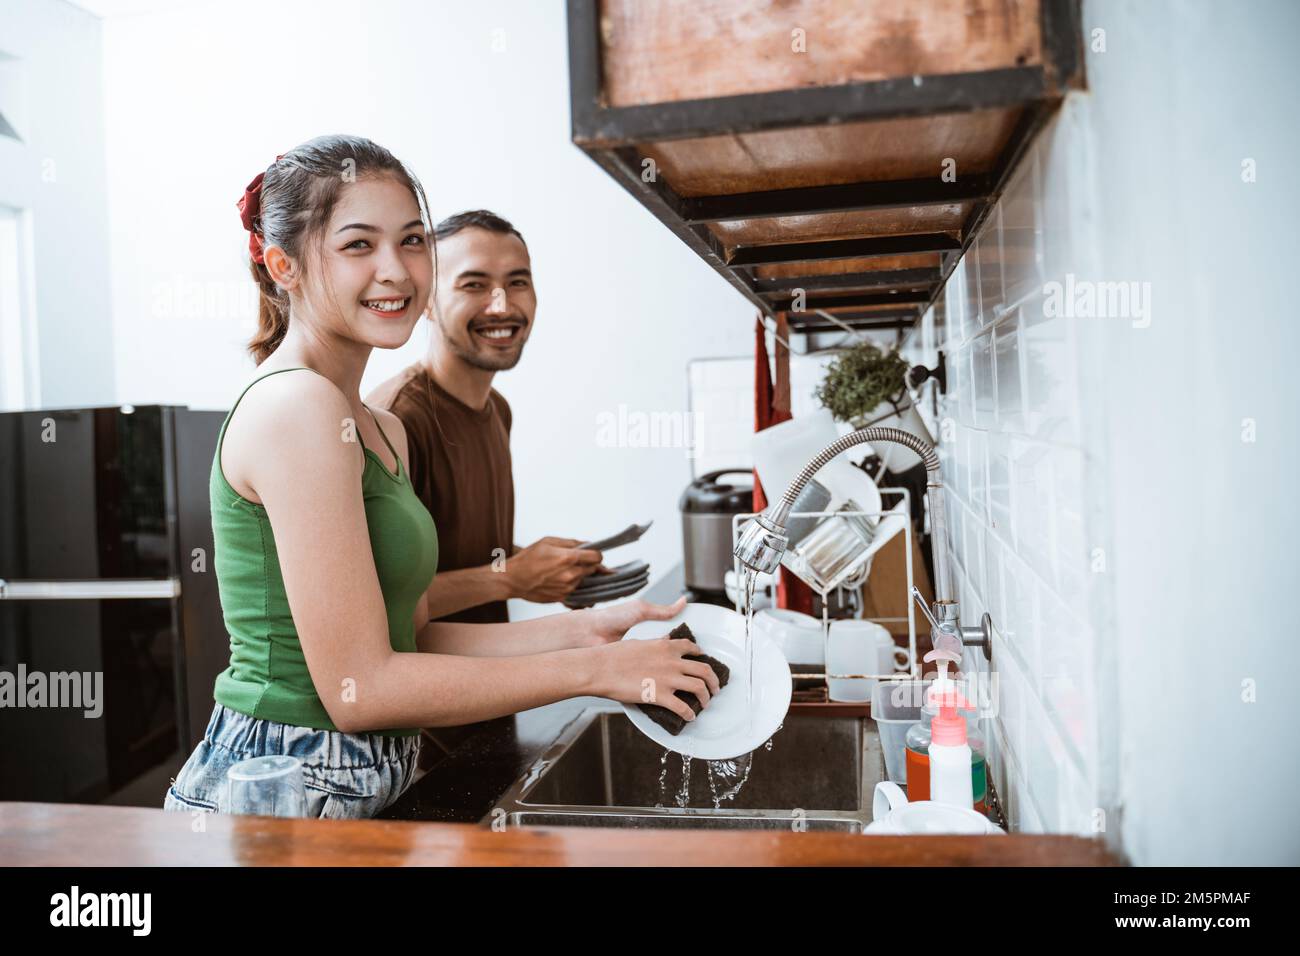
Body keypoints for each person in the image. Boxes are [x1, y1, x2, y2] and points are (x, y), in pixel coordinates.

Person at [162, 135, 716, 820]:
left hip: (359, 780)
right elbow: (361, 686)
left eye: (413, 240)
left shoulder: (376, 428)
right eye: (359, 245)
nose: (395, 270)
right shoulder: (295, 407)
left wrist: (584, 633)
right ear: (286, 266)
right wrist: (597, 673)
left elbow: (412, 636)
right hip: (280, 785)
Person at [367, 210, 598, 625]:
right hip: (427, 687)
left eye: (517, 282)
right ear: (427, 303)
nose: (502, 305)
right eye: (474, 284)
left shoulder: (498, 410)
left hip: (487, 678)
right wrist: (512, 578)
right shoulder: (394, 418)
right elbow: (379, 601)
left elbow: (456, 555)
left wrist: (551, 568)